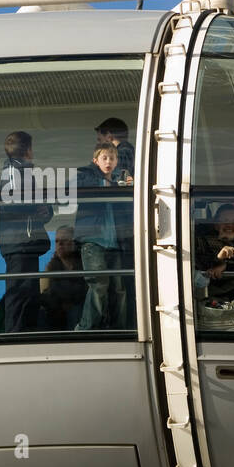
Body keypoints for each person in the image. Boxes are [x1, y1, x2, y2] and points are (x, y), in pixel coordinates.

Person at [0, 131, 53, 334]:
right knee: (19, 292)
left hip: (26, 243)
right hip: (19, 243)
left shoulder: (25, 172)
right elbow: (10, 200)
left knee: (28, 292)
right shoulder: (11, 170)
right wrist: (36, 208)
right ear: (27, 149)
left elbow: (38, 206)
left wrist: (44, 210)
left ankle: (27, 332)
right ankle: (17, 336)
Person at [75, 142, 129, 331]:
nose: (108, 161)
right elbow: (73, 186)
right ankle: (86, 328)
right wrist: (102, 180)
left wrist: (128, 187)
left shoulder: (119, 181)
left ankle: (118, 329)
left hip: (115, 243)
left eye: (112, 158)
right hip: (93, 241)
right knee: (98, 285)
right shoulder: (85, 174)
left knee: (119, 289)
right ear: (95, 160)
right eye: (104, 158)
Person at [39, 226, 86, 330]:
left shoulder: (85, 266)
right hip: (55, 316)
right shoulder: (49, 270)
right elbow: (44, 296)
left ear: (74, 243)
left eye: (64, 240)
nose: (59, 244)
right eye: (56, 241)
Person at [95, 116, 135, 184]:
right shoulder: (130, 150)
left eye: (100, 140)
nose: (99, 144)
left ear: (109, 137)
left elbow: (119, 182)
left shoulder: (121, 154)